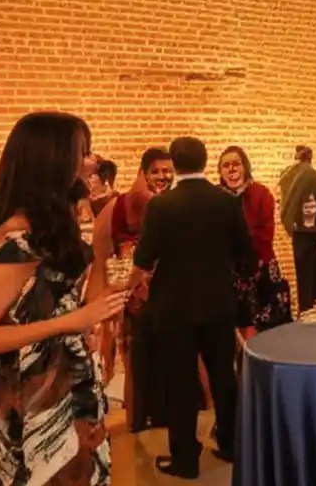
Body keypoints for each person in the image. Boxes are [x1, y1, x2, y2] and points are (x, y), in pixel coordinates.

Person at [0, 112, 129, 486]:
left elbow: (79, 306)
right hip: (28, 405)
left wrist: (102, 244)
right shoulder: (17, 240)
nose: (92, 162)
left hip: (63, 392)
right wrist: (68, 325)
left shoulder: (51, 225)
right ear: (53, 160)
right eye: (83, 152)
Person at [133, 136, 253, 479]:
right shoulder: (226, 202)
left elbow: (144, 258)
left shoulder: (162, 206)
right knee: (223, 377)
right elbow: (245, 253)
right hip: (218, 303)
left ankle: (185, 459)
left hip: (174, 307)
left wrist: (131, 284)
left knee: (180, 382)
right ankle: (231, 444)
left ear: (176, 163)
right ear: (205, 162)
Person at [104, 147, 173, 431]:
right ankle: (139, 418)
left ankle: (161, 415)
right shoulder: (125, 203)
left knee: (164, 356)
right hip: (137, 288)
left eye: (167, 170)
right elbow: (122, 244)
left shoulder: (173, 202)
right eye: (155, 171)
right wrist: (139, 278)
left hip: (167, 289)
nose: (162, 176)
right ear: (144, 173)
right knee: (137, 355)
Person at [218, 145, 292, 332]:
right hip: (227, 273)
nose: (232, 169)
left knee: (267, 327)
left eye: (236, 164)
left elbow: (265, 234)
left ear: (245, 166)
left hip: (260, 266)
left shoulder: (261, 193)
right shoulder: (215, 197)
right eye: (226, 165)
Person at [279, 146, 316, 312]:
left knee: (303, 276)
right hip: (312, 230)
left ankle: (305, 310)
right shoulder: (310, 174)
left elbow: (285, 203)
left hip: (297, 230)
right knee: (315, 277)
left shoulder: (287, 174)